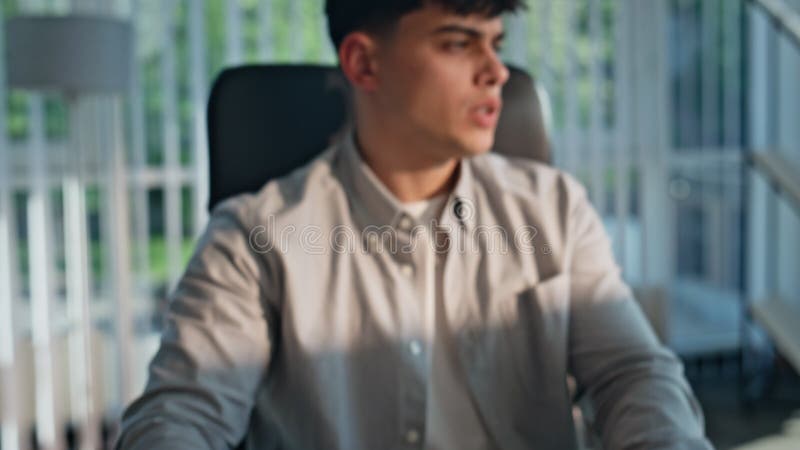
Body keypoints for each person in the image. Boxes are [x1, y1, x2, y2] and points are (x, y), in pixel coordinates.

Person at [117, 1, 714, 449]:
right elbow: (182, 415)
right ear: (363, 62)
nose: (496, 72)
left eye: (496, 44)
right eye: (459, 43)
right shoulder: (254, 240)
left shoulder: (553, 209)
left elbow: (632, 372)